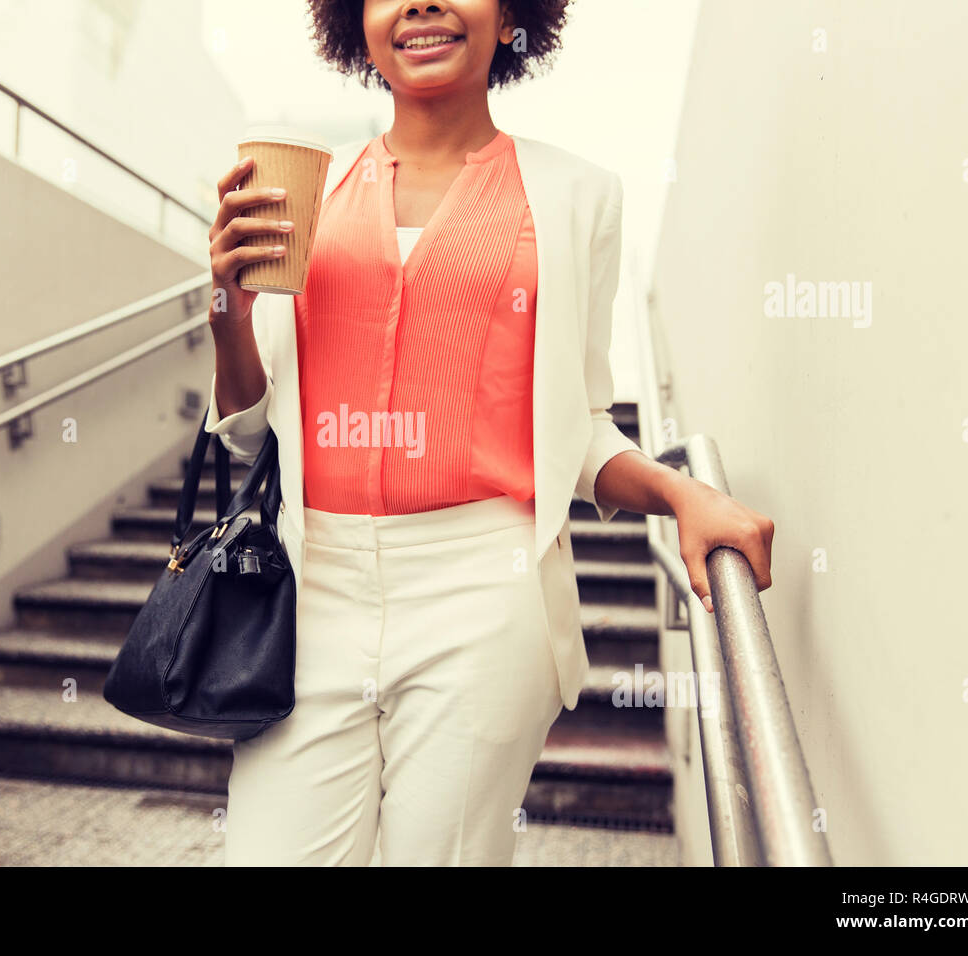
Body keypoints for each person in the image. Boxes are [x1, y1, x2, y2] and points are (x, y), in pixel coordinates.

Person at [203, 0, 775, 866]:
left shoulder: (578, 197)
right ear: (357, 23)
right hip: (308, 585)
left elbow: (576, 431)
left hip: (483, 588)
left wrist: (678, 491)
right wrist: (228, 313)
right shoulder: (304, 193)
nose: (423, 4)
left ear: (512, 16)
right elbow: (251, 436)